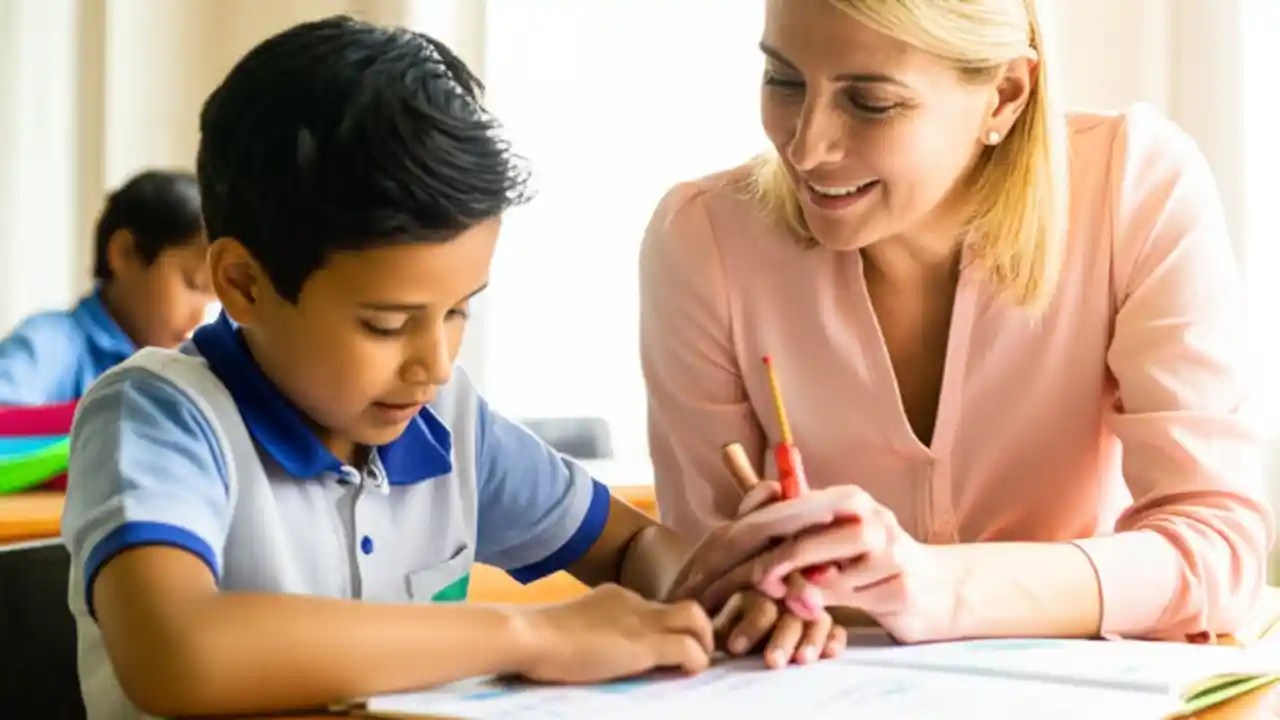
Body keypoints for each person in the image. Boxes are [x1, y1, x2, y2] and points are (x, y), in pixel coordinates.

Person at [61, 16, 848, 720]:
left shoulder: (443, 424)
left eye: (459, 310)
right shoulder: (158, 417)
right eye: (387, 323)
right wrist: (526, 635)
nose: (433, 363)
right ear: (243, 283)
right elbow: (177, 653)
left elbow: (630, 548)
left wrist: (717, 596)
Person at [640, 0, 1273, 645]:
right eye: (785, 81)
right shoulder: (703, 239)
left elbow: (1220, 550)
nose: (807, 146)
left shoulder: (1134, 186)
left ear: (1004, 95)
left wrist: (942, 587)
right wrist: (747, 595)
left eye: (871, 103)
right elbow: (705, 575)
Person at [0, 170, 212, 406]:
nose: (201, 317)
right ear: (125, 254)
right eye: (195, 284)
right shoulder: (54, 342)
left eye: (214, 299)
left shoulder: (186, 367)